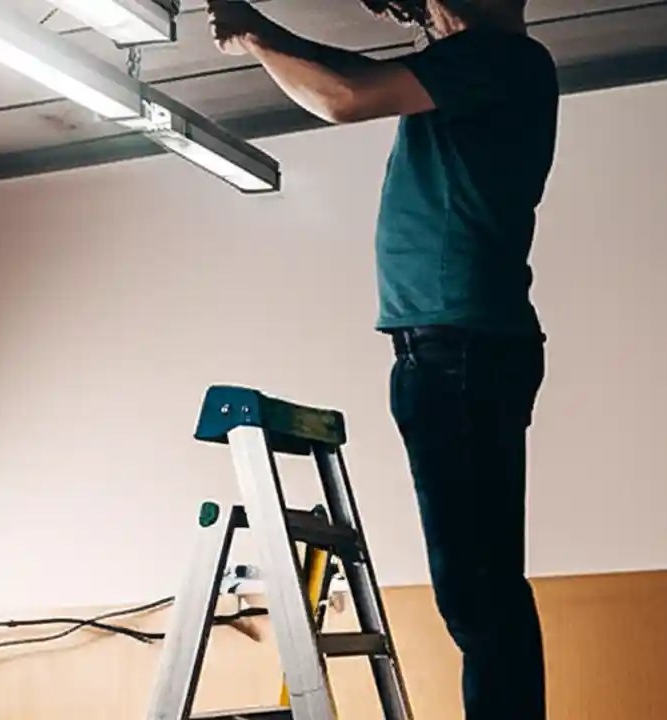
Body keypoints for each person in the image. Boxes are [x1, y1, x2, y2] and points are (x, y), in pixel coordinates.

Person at [205, 1, 559, 718]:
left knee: (479, 598)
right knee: (485, 594)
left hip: (456, 349)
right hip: (461, 347)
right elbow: (360, 75)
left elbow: (343, 95)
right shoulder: (476, 68)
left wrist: (255, 33)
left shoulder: (497, 58)